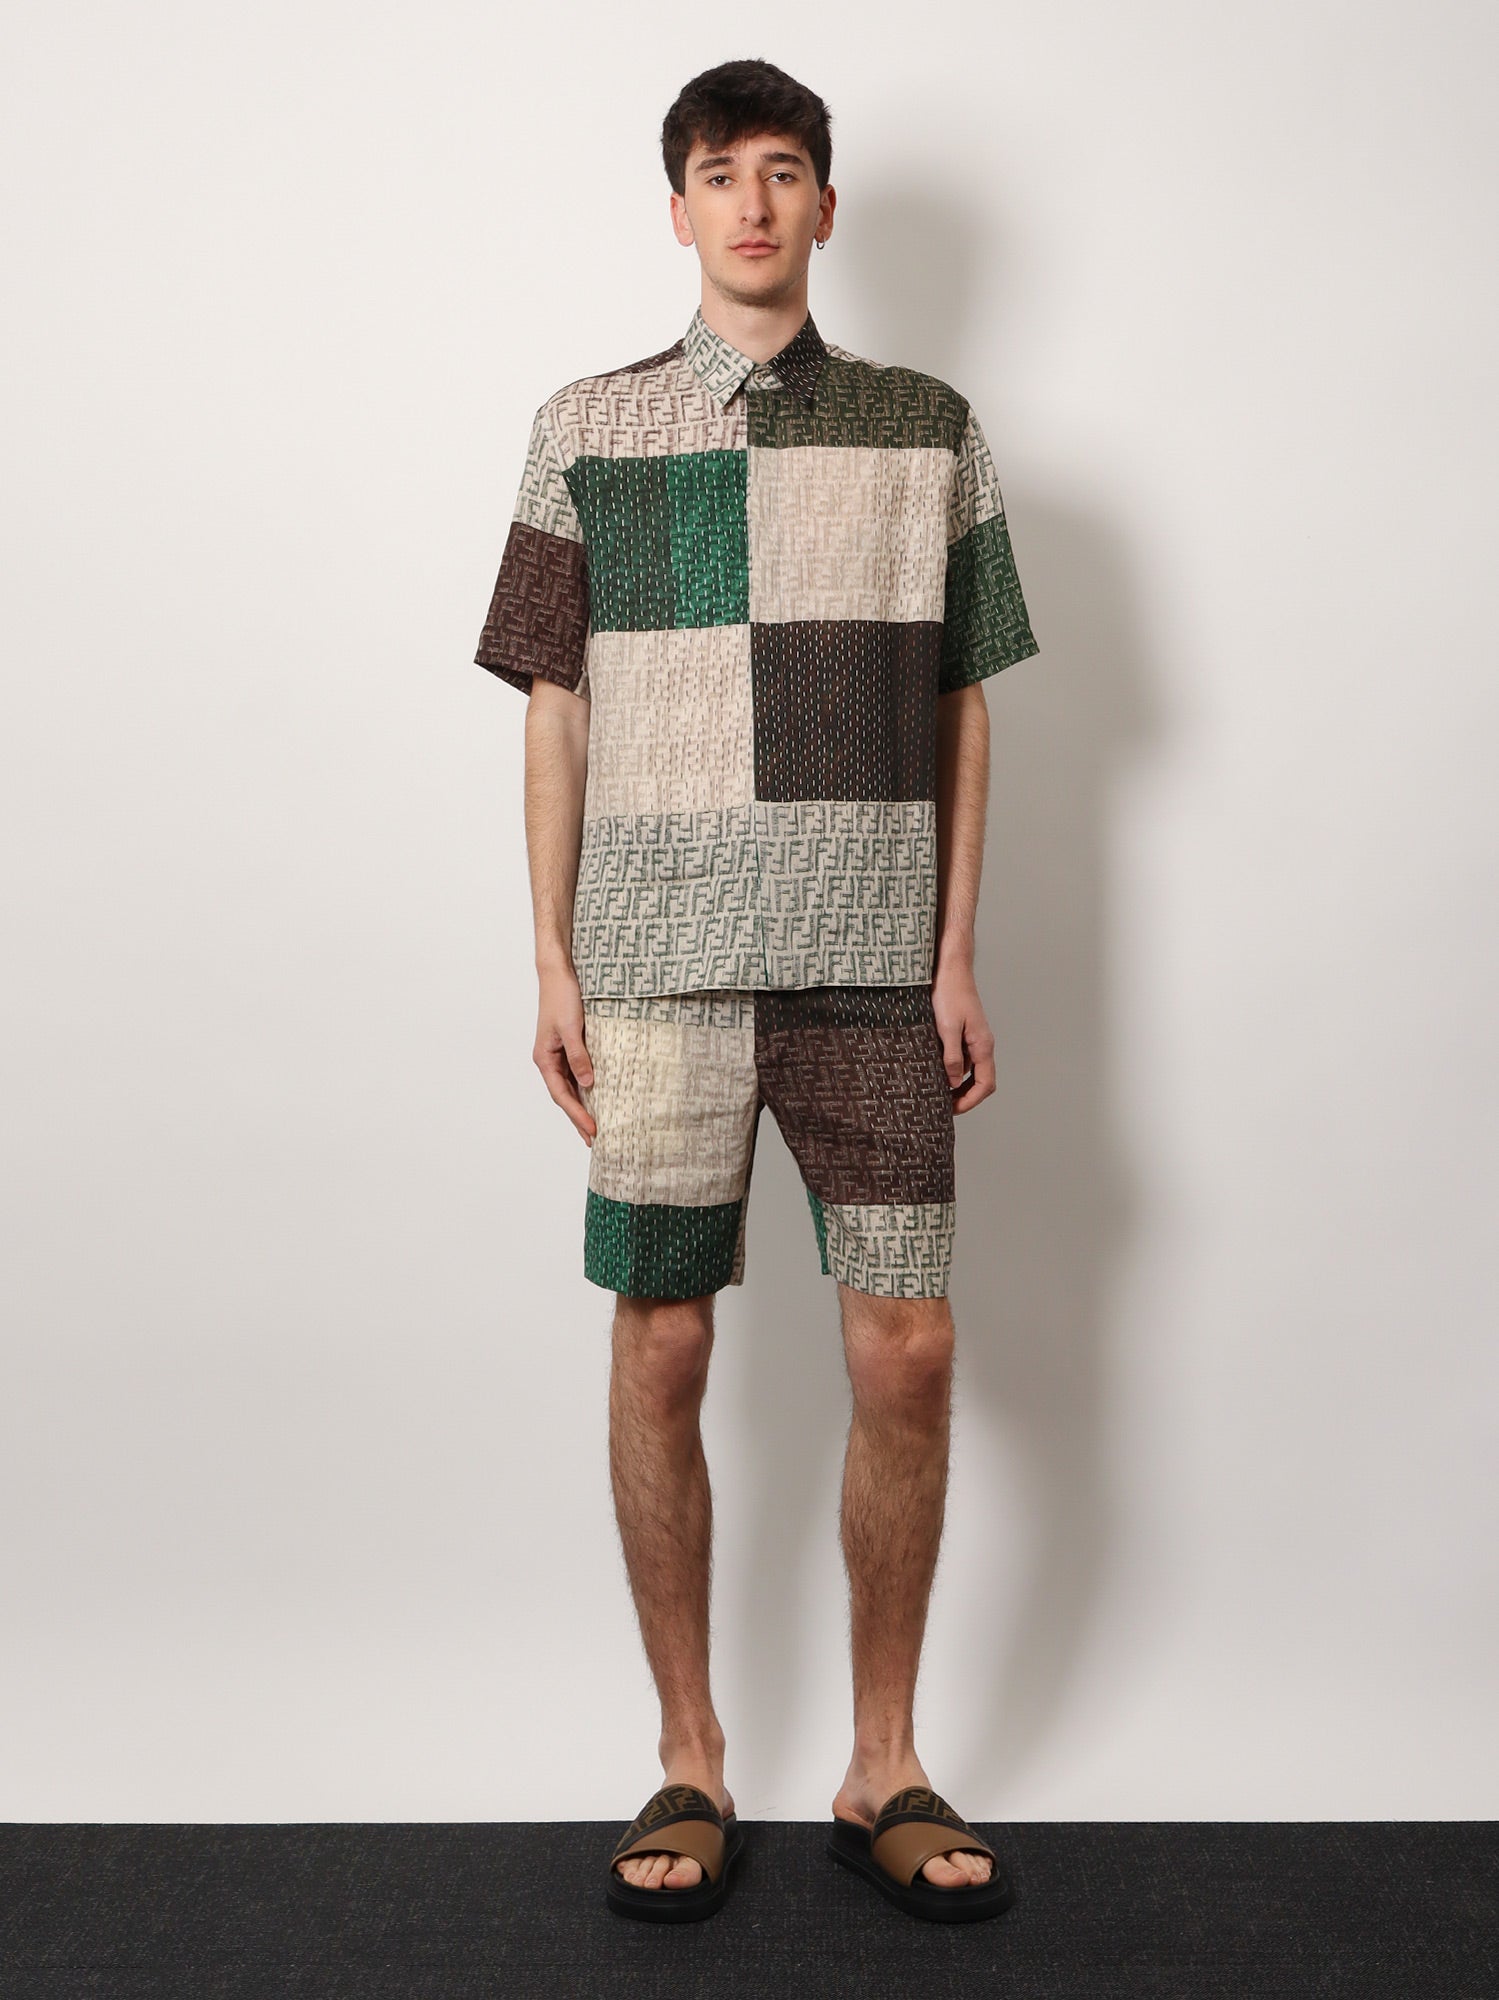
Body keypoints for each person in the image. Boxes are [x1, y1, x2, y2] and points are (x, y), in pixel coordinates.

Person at [472, 58, 1040, 1925]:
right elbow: (555, 707)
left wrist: (955, 949)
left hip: (873, 964)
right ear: (678, 207)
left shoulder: (926, 424)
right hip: (654, 964)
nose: (753, 204)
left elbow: (961, 699)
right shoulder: (586, 426)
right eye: (721, 174)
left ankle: (884, 1760)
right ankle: (691, 1753)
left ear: (824, 204)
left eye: (784, 171)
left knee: (909, 1348)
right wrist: (551, 953)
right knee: (661, 1343)